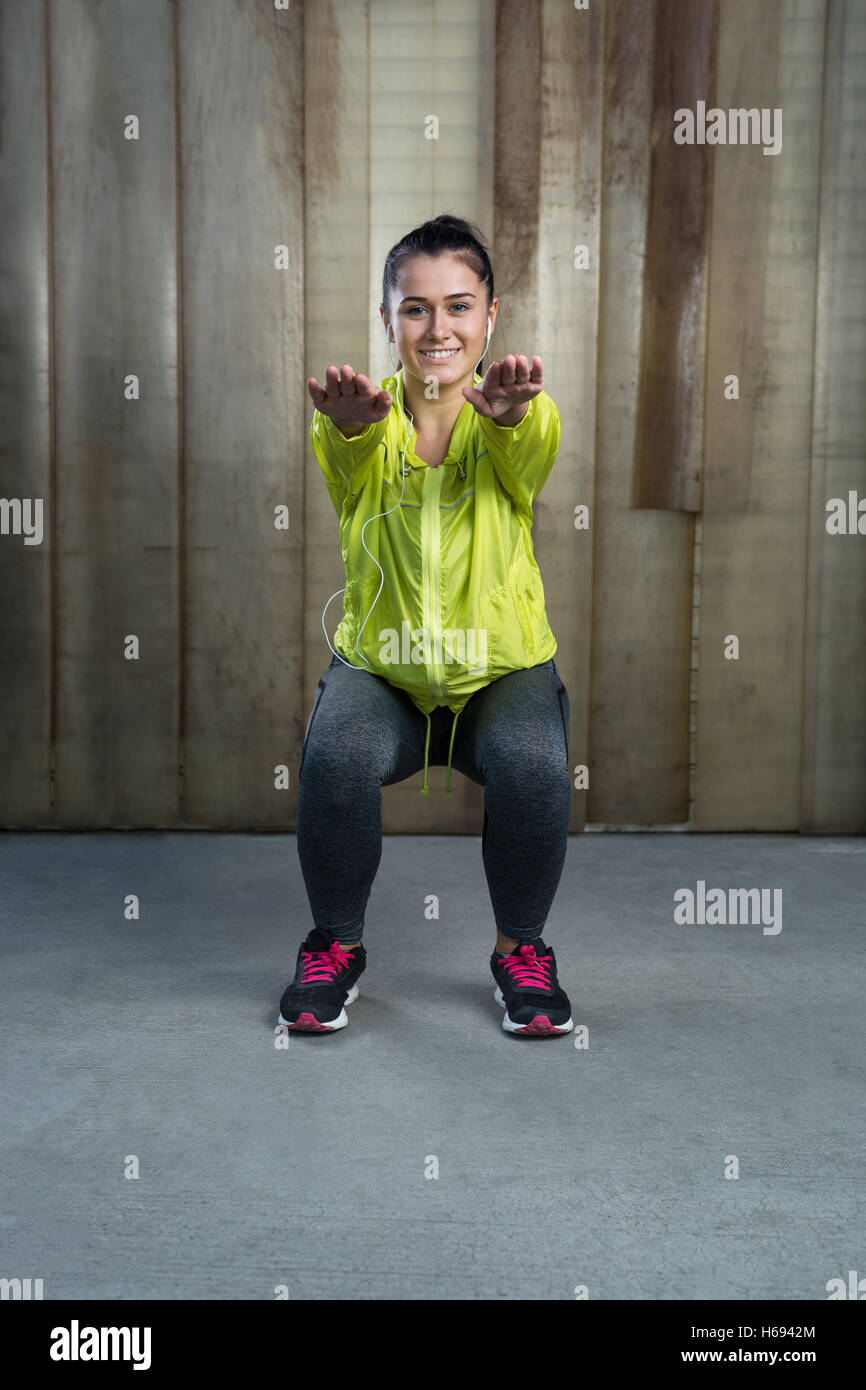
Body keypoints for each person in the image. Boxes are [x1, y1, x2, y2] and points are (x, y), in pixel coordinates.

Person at [278, 214, 574, 1038]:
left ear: (489, 319)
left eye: (458, 306)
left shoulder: (520, 416)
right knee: (334, 753)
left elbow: (530, 448)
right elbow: (345, 448)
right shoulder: (362, 418)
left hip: (501, 671)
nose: (437, 328)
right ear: (387, 320)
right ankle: (335, 947)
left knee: (532, 761)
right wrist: (348, 423)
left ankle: (523, 950)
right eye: (415, 308)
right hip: (384, 675)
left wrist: (512, 415)